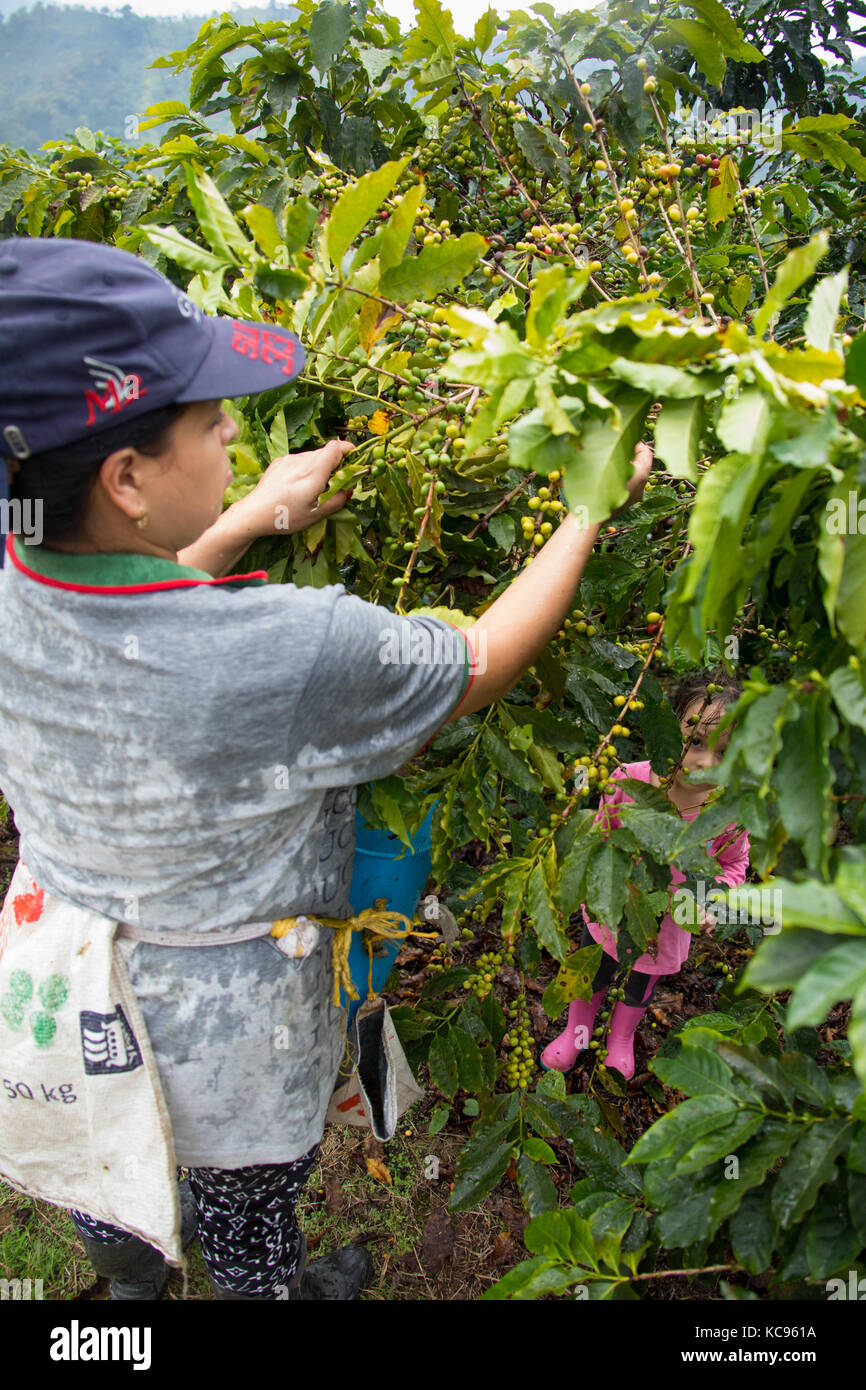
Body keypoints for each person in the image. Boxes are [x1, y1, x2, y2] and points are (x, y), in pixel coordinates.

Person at [0, 236, 652, 1301]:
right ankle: (270, 1291)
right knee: (249, 1205)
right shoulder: (287, 650)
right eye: (210, 423)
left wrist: (253, 511)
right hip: (230, 1038)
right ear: (125, 478)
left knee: (104, 1170)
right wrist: (585, 503)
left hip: (64, 988)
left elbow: (126, 611)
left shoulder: (15, 562)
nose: (231, 434)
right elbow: (479, 660)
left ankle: (129, 1286)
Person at [541, 671, 750, 1080]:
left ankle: (620, 1039)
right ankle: (577, 1032)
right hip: (611, 910)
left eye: (725, 754)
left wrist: (713, 900)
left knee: (640, 983)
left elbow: (735, 866)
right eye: (694, 743)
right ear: (670, 732)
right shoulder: (627, 780)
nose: (706, 762)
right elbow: (598, 835)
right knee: (593, 970)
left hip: (668, 923)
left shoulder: (729, 813)